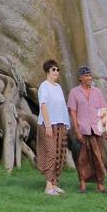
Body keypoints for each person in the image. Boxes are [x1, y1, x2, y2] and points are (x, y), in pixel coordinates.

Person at [68, 65, 107, 194]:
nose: (89, 78)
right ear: (80, 78)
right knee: (82, 159)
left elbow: (104, 110)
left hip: (96, 130)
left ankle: (101, 185)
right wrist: (76, 130)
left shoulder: (97, 92)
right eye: (86, 76)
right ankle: (82, 184)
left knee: (99, 158)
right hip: (83, 130)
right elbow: (73, 112)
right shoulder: (74, 92)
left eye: (90, 76)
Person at [36, 58, 70, 196]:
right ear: (47, 71)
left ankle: (54, 183)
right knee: (50, 153)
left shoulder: (58, 87)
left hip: (60, 125)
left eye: (57, 70)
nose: (56, 72)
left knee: (59, 154)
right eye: (53, 69)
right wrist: (48, 125)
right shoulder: (44, 86)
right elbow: (43, 105)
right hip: (47, 125)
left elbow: (62, 107)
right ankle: (48, 186)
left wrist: (65, 124)